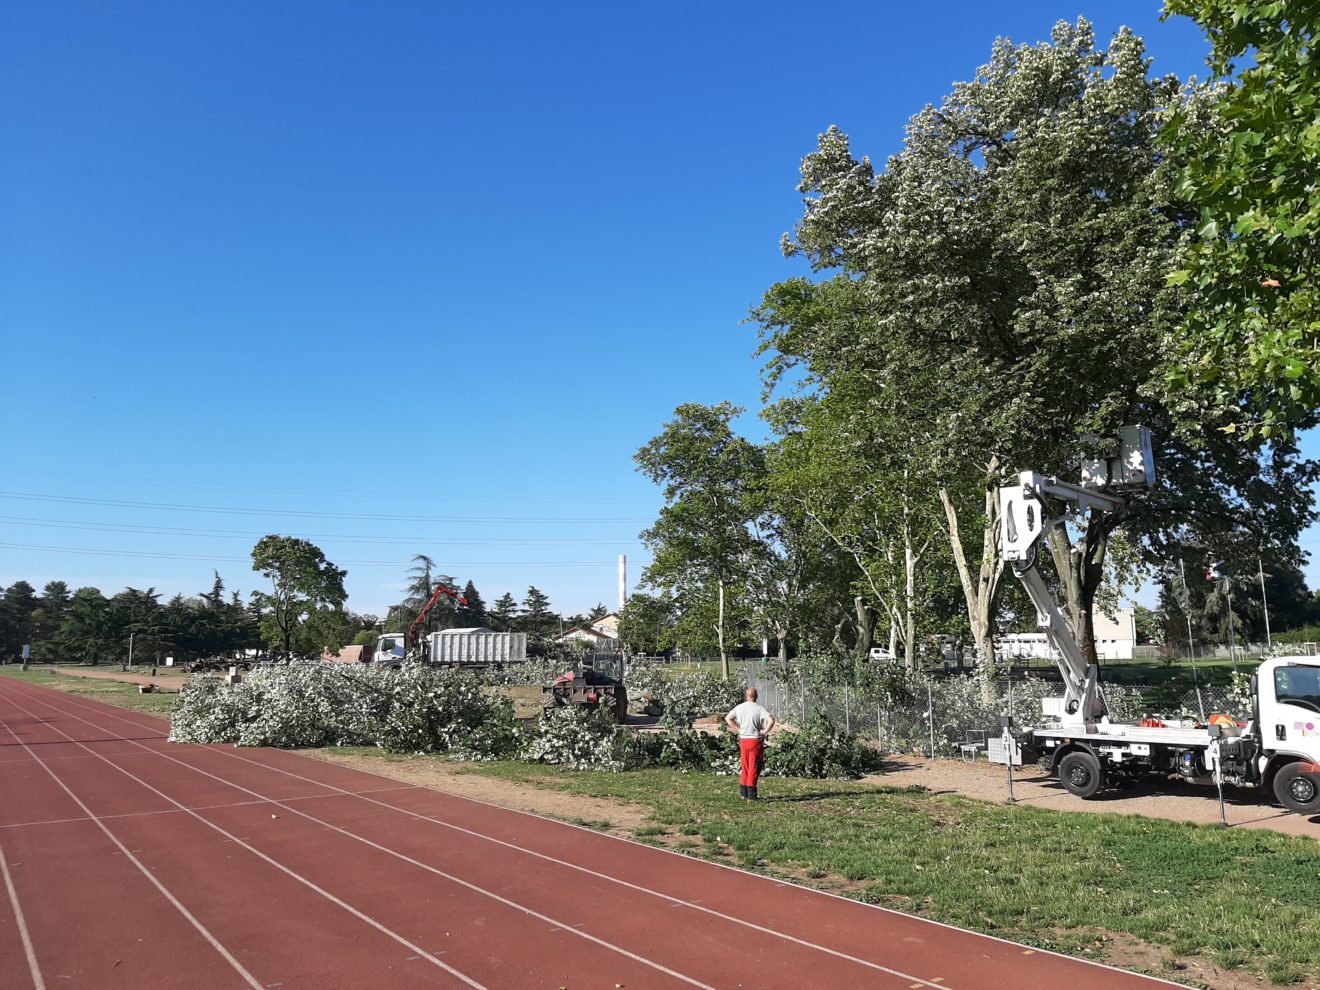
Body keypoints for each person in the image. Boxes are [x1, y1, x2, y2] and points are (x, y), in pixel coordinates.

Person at [725, 687, 775, 800]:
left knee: (745, 766)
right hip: (755, 741)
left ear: (746, 696)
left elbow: (728, 718)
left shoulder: (739, 707)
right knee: (754, 767)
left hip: (743, 740)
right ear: (756, 696)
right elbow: (771, 720)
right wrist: (764, 732)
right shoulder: (759, 708)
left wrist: (738, 729)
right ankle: (752, 796)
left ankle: (743, 793)